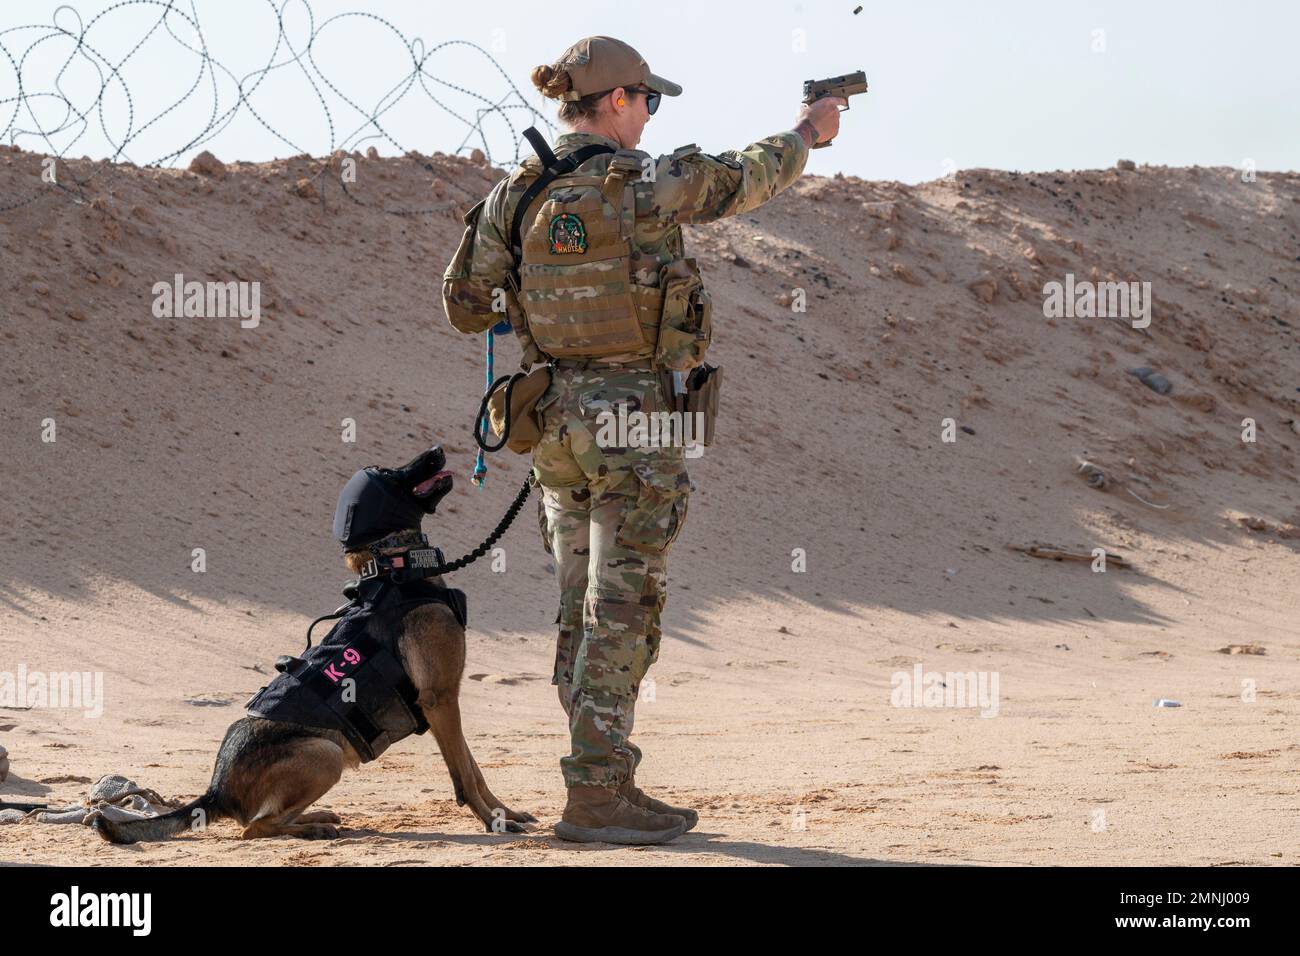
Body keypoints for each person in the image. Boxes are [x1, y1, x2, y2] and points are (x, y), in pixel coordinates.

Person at [442, 35, 845, 844]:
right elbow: (746, 175)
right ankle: (595, 793)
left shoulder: (514, 196)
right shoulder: (646, 185)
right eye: (648, 101)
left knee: (579, 606)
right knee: (622, 610)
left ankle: (607, 777)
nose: (650, 116)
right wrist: (809, 132)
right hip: (636, 421)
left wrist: (545, 301)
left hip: (554, 421)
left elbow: (464, 303)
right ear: (619, 101)